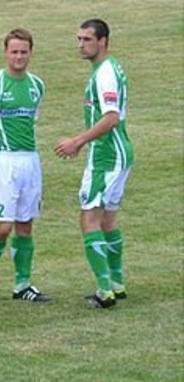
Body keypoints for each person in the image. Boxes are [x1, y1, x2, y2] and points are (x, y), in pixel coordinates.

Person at [55, 19, 133, 309]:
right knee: (107, 220)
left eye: (87, 39)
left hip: (106, 156)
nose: (81, 44)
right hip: (119, 153)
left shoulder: (105, 75)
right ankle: (116, 282)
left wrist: (78, 141)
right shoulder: (109, 69)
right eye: (78, 39)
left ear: (103, 41)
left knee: (89, 218)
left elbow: (111, 118)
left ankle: (104, 290)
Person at [0, 28, 50, 303]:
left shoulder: (37, 85)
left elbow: (31, 122)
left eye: (23, 52)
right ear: (5, 52)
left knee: (25, 224)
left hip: (30, 159)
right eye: (14, 51)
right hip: (4, 160)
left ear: (30, 53)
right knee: (3, 227)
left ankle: (23, 284)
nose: (18, 56)